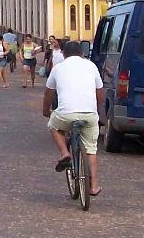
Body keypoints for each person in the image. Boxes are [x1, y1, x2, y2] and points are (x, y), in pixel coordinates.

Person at [42, 40, 103, 197]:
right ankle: (94, 185)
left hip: (65, 114)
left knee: (53, 126)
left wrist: (46, 110)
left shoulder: (58, 68)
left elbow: (48, 93)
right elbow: (100, 92)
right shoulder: (91, 66)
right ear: (82, 53)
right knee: (91, 149)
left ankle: (64, 152)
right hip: (89, 114)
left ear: (63, 54)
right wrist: (96, 110)